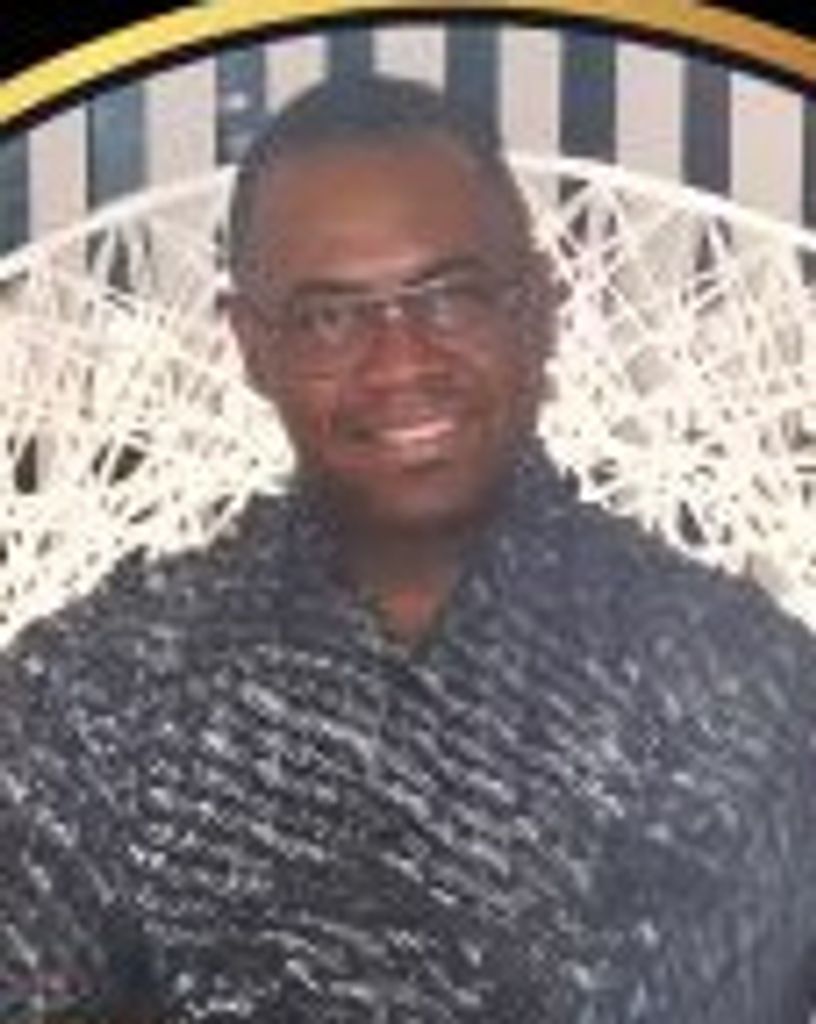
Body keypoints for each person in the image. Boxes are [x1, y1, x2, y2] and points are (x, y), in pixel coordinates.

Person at [1, 73, 815, 1023]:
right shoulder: (95, 688)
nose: (402, 364)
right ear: (252, 346)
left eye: (450, 297)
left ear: (536, 308)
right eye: (331, 316)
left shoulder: (739, 685)